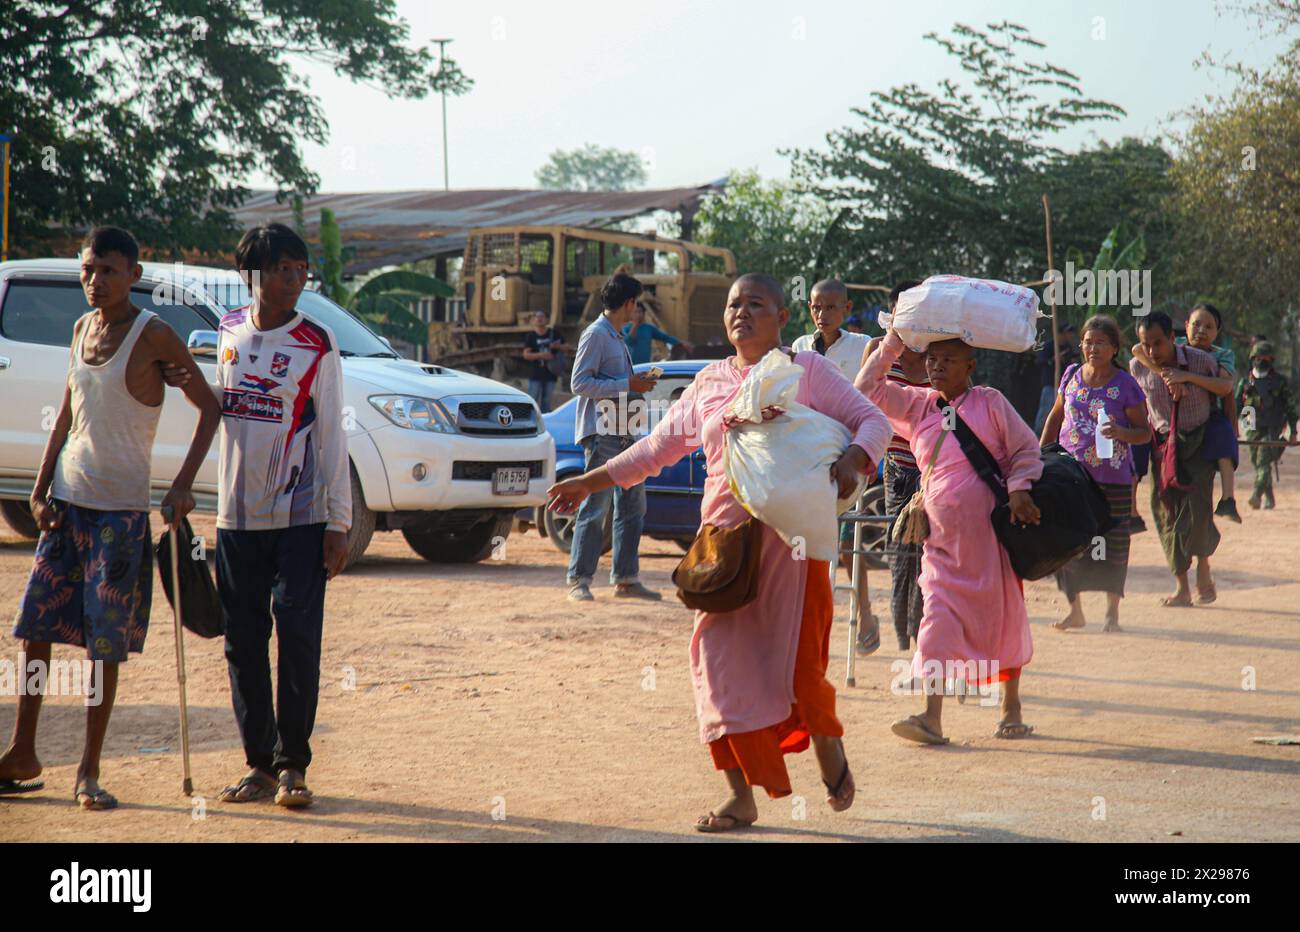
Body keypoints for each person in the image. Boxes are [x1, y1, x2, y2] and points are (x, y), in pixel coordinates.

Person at [548, 273, 891, 832]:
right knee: (714, 664)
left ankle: (828, 749)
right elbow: (657, 448)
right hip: (724, 548)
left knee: (799, 669)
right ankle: (740, 796)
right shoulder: (708, 382)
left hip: (793, 547)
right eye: (734, 304)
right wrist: (591, 482)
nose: (742, 312)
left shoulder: (809, 372)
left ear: (783, 319)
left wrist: (854, 460)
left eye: (756, 304)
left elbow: (872, 420)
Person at [0, 226, 221, 809]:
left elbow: (211, 406)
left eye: (109, 271)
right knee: (35, 632)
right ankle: (22, 751)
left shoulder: (155, 336)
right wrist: (40, 488)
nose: (95, 281)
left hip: (120, 516)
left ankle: (88, 772)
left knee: (105, 645)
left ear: (134, 277)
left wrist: (181, 488)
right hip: (67, 506)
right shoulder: (80, 329)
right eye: (89, 269)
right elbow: (67, 413)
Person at [214, 224, 351, 809]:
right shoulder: (224, 333)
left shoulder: (317, 344)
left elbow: (331, 437)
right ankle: (259, 765)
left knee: (297, 634)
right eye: (283, 270)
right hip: (234, 520)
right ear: (254, 276)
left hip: (299, 520)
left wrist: (339, 521)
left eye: (302, 270)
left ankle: (293, 764)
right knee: (243, 642)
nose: (295, 280)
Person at [855, 328, 1044, 745]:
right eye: (932, 359)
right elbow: (865, 389)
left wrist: (1019, 491)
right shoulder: (918, 406)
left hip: (992, 541)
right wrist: (892, 343)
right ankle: (931, 717)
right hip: (939, 544)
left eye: (948, 359)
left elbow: (1026, 451)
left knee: (1002, 619)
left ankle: (1010, 707)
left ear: (971, 367)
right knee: (935, 621)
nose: (936, 366)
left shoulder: (991, 402)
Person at [1039, 315, 1150, 632]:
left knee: (1113, 542)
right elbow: (1056, 417)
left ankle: (1112, 615)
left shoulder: (1125, 385)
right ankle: (1075, 611)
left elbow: (1144, 432)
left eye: (1101, 343)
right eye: (1088, 342)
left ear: (1114, 348)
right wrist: (1038, 455)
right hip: (1071, 474)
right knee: (1067, 539)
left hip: (1112, 478)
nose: (1093, 348)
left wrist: (1120, 432)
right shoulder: (1072, 376)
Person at [791, 279, 878, 651]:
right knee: (806, 546)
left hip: (848, 457)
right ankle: (807, 624)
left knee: (847, 545)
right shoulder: (799, 347)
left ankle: (865, 614)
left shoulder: (862, 347)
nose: (822, 314)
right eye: (816, 307)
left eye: (830, 307)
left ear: (846, 308)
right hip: (806, 458)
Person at [565, 272, 661, 602]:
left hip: (625, 431)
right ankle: (579, 579)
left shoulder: (616, 336)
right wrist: (626, 385)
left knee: (632, 507)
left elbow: (613, 381)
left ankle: (626, 578)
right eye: (637, 304)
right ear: (630, 303)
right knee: (595, 506)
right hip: (602, 432)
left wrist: (635, 383)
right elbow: (579, 384)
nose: (637, 310)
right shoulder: (595, 335)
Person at [1129, 311, 1221, 606]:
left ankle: (1203, 567)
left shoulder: (1201, 361)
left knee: (1198, 508)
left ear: (1173, 337)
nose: (1153, 351)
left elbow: (1226, 391)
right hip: (1162, 446)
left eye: (1158, 343)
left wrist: (1229, 436)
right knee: (1165, 511)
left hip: (1198, 442)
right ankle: (1181, 585)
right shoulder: (1138, 367)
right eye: (1147, 345)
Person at [862, 279, 928, 651]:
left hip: (936, 469)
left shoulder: (941, 351)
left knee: (933, 557)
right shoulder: (877, 349)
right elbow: (862, 402)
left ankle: (925, 639)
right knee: (902, 554)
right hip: (899, 468)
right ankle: (906, 639)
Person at [1132, 303, 1240, 522]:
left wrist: (1186, 377)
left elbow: (1224, 387)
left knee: (1224, 438)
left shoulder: (1221, 355)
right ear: (1184, 327)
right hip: (1164, 419)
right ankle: (1132, 508)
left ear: (1217, 333)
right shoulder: (1172, 345)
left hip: (1207, 414)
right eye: (1197, 324)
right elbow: (1137, 351)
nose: (1201, 330)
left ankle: (1228, 498)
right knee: (1138, 448)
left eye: (1209, 327)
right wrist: (1166, 375)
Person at [1236, 340, 1298, 509]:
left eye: (1266, 358)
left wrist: (1293, 431)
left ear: (1271, 360)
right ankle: (1269, 497)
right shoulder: (1245, 382)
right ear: (1253, 358)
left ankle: (1256, 494)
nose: (1262, 361)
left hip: (1272, 426)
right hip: (1250, 426)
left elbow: (1291, 408)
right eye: (1258, 357)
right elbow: (1236, 406)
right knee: (1258, 462)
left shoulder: (1280, 382)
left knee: (1263, 459)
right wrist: (1232, 428)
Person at [1033, 324, 1078, 434]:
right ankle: (1038, 435)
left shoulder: (1068, 348)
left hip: (1062, 386)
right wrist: (1053, 359)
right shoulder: (1049, 346)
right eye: (1068, 332)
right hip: (1050, 384)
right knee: (1045, 410)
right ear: (1060, 334)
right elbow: (1039, 362)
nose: (1070, 335)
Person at [521, 310, 570, 413]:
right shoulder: (531, 336)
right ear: (534, 320)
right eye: (537, 317)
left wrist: (558, 346)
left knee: (546, 401)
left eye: (542, 316)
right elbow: (526, 355)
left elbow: (567, 348)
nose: (539, 319)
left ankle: (545, 422)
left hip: (551, 374)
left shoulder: (554, 333)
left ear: (547, 319)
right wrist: (541, 355)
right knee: (532, 400)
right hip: (536, 374)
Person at [621, 300, 692, 365]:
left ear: (643, 313)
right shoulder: (626, 328)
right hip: (630, 366)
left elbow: (665, 337)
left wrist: (681, 343)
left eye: (640, 311)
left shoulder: (648, 328)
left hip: (645, 365)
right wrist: (635, 325)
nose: (638, 314)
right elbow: (628, 341)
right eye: (635, 312)